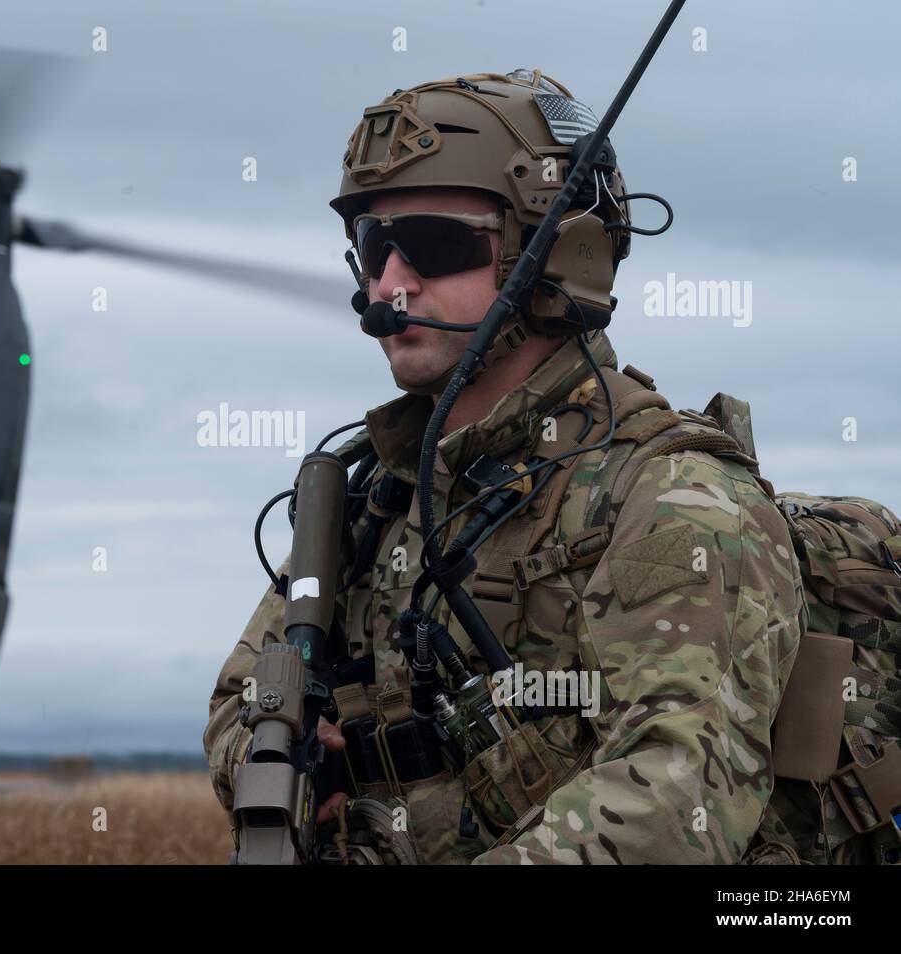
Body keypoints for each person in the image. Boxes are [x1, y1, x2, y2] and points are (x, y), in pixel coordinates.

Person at [203, 69, 807, 863]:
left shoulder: (674, 497)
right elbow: (237, 702)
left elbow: (675, 798)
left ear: (559, 254)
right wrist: (274, 762)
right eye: (372, 246)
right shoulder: (377, 500)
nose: (388, 284)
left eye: (434, 244)